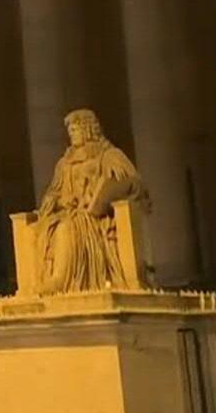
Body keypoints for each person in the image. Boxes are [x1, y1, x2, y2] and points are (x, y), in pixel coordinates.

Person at [29, 109, 147, 295]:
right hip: (70, 212)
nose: (72, 135)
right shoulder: (64, 163)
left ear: (88, 129)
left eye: (76, 130)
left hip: (97, 216)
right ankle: (54, 278)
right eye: (70, 132)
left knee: (67, 227)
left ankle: (61, 278)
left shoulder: (109, 155)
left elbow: (133, 183)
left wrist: (101, 194)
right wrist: (58, 200)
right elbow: (54, 192)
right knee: (47, 227)